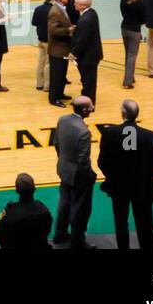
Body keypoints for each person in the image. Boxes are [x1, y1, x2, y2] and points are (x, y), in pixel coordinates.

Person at [97, 98, 153, 250]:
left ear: (122, 113)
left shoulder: (109, 133)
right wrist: (148, 180)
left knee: (120, 223)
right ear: (137, 114)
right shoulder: (149, 135)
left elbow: (102, 162)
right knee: (145, 222)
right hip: (142, 188)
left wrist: (112, 177)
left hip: (118, 187)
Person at [53, 95, 96, 249]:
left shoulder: (62, 119)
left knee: (64, 203)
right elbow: (83, 161)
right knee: (79, 208)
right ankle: (77, 241)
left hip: (63, 169)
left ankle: (59, 234)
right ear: (84, 110)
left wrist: (64, 161)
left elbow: (56, 143)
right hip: (78, 175)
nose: (92, 108)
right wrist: (90, 176)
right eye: (90, 106)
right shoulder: (84, 132)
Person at [0, 173, 53, 249]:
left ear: (17, 190)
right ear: (34, 189)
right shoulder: (43, 210)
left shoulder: (8, 213)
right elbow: (47, 231)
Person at [70, 0, 102, 109]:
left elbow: (82, 40)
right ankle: (85, 100)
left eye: (77, 3)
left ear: (83, 6)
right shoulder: (91, 12)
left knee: (88, 82)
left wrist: (73, 53)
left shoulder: (85, 20)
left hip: (88, 56)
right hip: (92, 54)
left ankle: (88, 104)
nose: (74, 4)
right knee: (87, 80)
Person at [46, 0, 73, 106]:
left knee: (62, 74)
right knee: (56, 75)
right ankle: (53, 98)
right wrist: (69, 30)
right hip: (57, 49)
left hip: (63, 49)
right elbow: (53, 31)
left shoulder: (61, 9)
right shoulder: (55, 11)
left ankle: (60, 93)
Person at [118, 0, 145, 89]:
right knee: (132, 55)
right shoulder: (140, 4)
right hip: (135, 30)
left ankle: (130, 75)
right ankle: (127, 81)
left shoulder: (123, 1)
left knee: (128, 54)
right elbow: (143, 19)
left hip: (124, 28)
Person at [31, 0, 54, 92]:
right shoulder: (54, 10)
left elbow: (34, 23)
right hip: (50, 40)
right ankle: (47, 85)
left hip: (40, 39)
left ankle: (39, 84)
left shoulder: (38, 9)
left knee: (40, 61)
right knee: (48, 64)